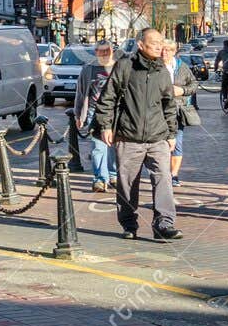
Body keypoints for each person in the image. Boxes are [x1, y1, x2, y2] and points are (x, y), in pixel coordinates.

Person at [93, 27, 183, 242]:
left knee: (163, 180)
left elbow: (169, 104)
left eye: (161, 43)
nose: (159, 47)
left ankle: (164, 224)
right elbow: (108, 98)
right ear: (141, 45)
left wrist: (171, 133)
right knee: (127, 183)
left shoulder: (162, 70)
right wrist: (105, 126)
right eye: (154, 43)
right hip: (128, 136)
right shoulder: (125, 66)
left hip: (158, 137)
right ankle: (129, 223)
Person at [75, 42, 117, 192]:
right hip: (94, 112)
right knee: (98, 147)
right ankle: (100, 179)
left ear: (112, 51)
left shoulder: (119, 67)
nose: (104, 54)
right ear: (95, 52)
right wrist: (78, 114)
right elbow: (80, 92)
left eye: (107, 51)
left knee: (114, 146)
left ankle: (114, 175)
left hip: (116, 112)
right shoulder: (88, 69)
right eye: (101, 51)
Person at [163, 39, 197, 187]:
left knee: (177, 144)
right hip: (157, 111)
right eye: (163, 49)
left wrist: (182, 90)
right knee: (159, 145)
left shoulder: (181, 67)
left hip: (177, 111)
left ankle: (173, 174)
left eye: (169, 50)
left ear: (174, 51)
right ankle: (162, 174)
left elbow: (193, 84)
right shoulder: (154, 66)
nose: (165, 52)